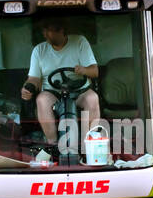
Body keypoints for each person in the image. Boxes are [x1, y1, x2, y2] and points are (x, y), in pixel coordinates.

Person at [20, 19, 100, 149]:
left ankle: (89, 145)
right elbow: (33, 78)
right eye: (44, 31)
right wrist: (27, 88)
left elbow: (95, 71)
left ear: (62, 31)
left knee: (92, 98)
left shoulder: (80, 42)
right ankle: (53, 146)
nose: (45, 35)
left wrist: (84, 70)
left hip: (80, 90)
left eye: (49, 31)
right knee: (42, 100)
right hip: (53, 92)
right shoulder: (39, 50)